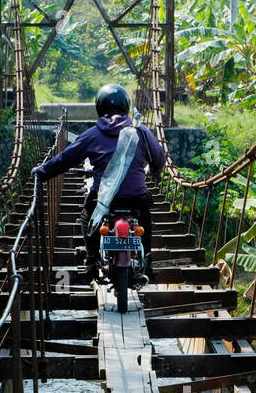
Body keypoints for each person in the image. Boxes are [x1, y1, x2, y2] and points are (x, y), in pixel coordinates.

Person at [33, 83, 165, 281]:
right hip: (136, 196)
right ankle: (148, 260)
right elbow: (160, 158)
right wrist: (154, 171)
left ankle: (91, 261)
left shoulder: (93, 134)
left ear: (99, 106)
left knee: (87, 217)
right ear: (126, 106)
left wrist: (42, 172)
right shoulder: (141, 131)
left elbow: (65, 159)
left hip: (104, 199)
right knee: (145, 216)